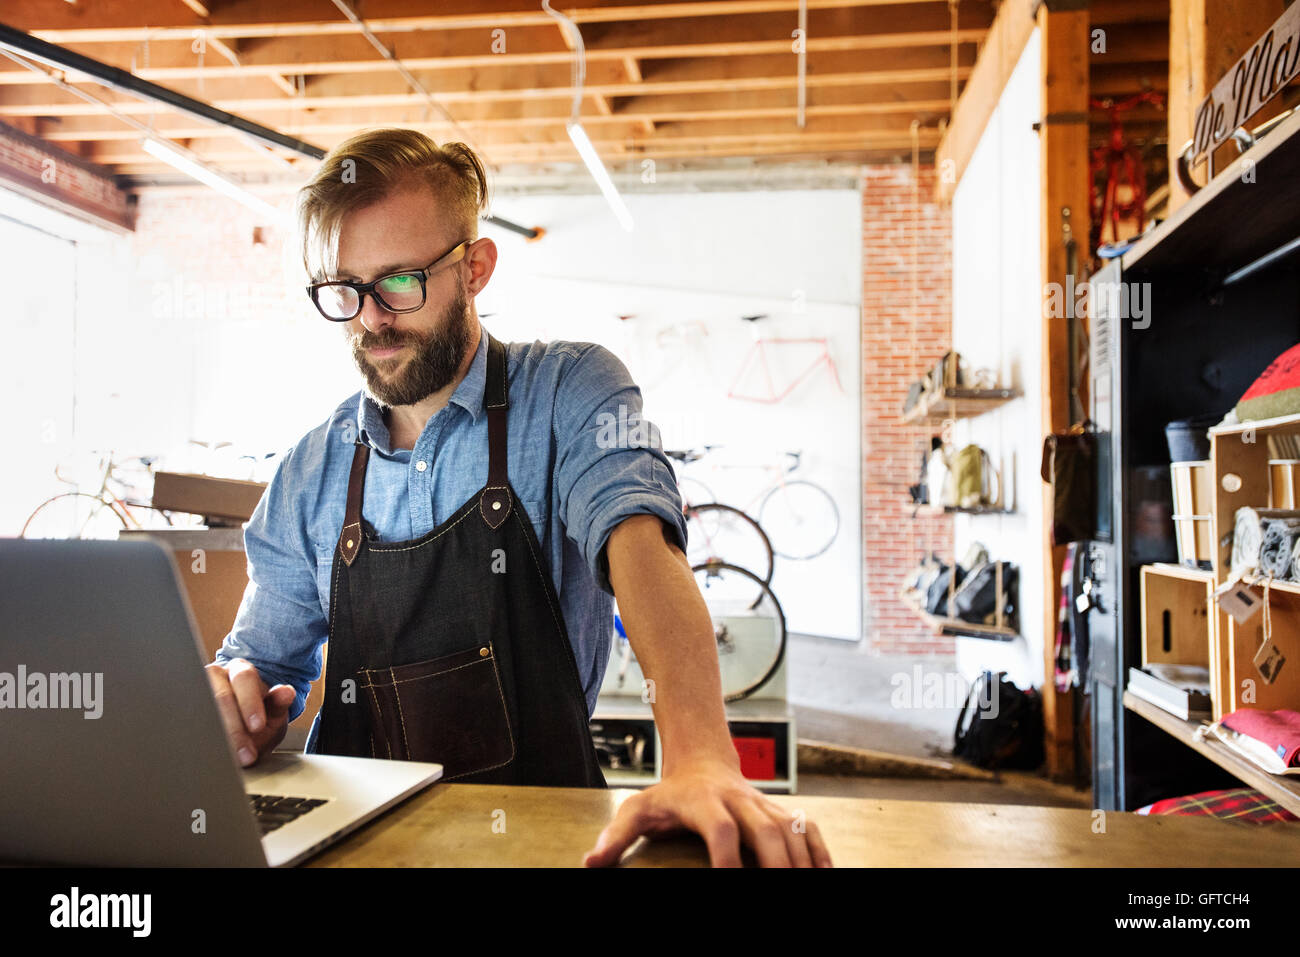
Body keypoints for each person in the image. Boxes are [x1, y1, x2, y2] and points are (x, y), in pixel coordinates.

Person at [206, 128, 830, 868]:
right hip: (351, 848)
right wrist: (232, 703)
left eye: (400, 283)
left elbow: (640, 543)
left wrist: (700, 756)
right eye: (346, 290)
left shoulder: (570, 391)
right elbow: (257, 661)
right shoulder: (310, 470)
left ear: (474, 269)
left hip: (548, 840)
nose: (373, 318)